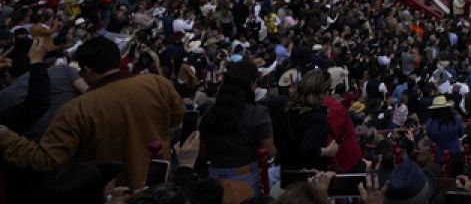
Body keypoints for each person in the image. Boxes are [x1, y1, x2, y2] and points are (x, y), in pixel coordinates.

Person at [0, 36, 184, 189]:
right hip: (157, 187)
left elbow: (47, 161)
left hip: (111, 193)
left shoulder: (76, 109)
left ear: (87, 70)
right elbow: (177, 117)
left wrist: (7, 138)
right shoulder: (157, 84)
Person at [197, 59, 275, 193]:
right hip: (246, 176)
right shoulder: (258, 113)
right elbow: (270, 152)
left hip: (215, 175)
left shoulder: (210, 112)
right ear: (251, 83)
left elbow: (203, 152)